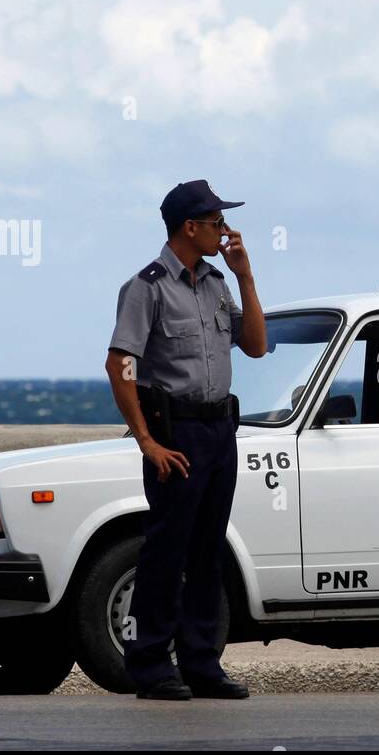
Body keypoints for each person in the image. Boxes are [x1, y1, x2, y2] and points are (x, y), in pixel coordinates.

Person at [104, 179, 267, 700]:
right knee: (166, 550)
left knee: (207, 551)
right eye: (217, 222)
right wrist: (146, 442)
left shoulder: (219, 284)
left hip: (221, 431)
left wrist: (245, 276)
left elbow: (257, 347)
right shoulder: (146, 288)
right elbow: (119, 365)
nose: (225, 230)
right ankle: (150, 665)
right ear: (189, 227)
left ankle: (201, 662)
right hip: (177, 434)